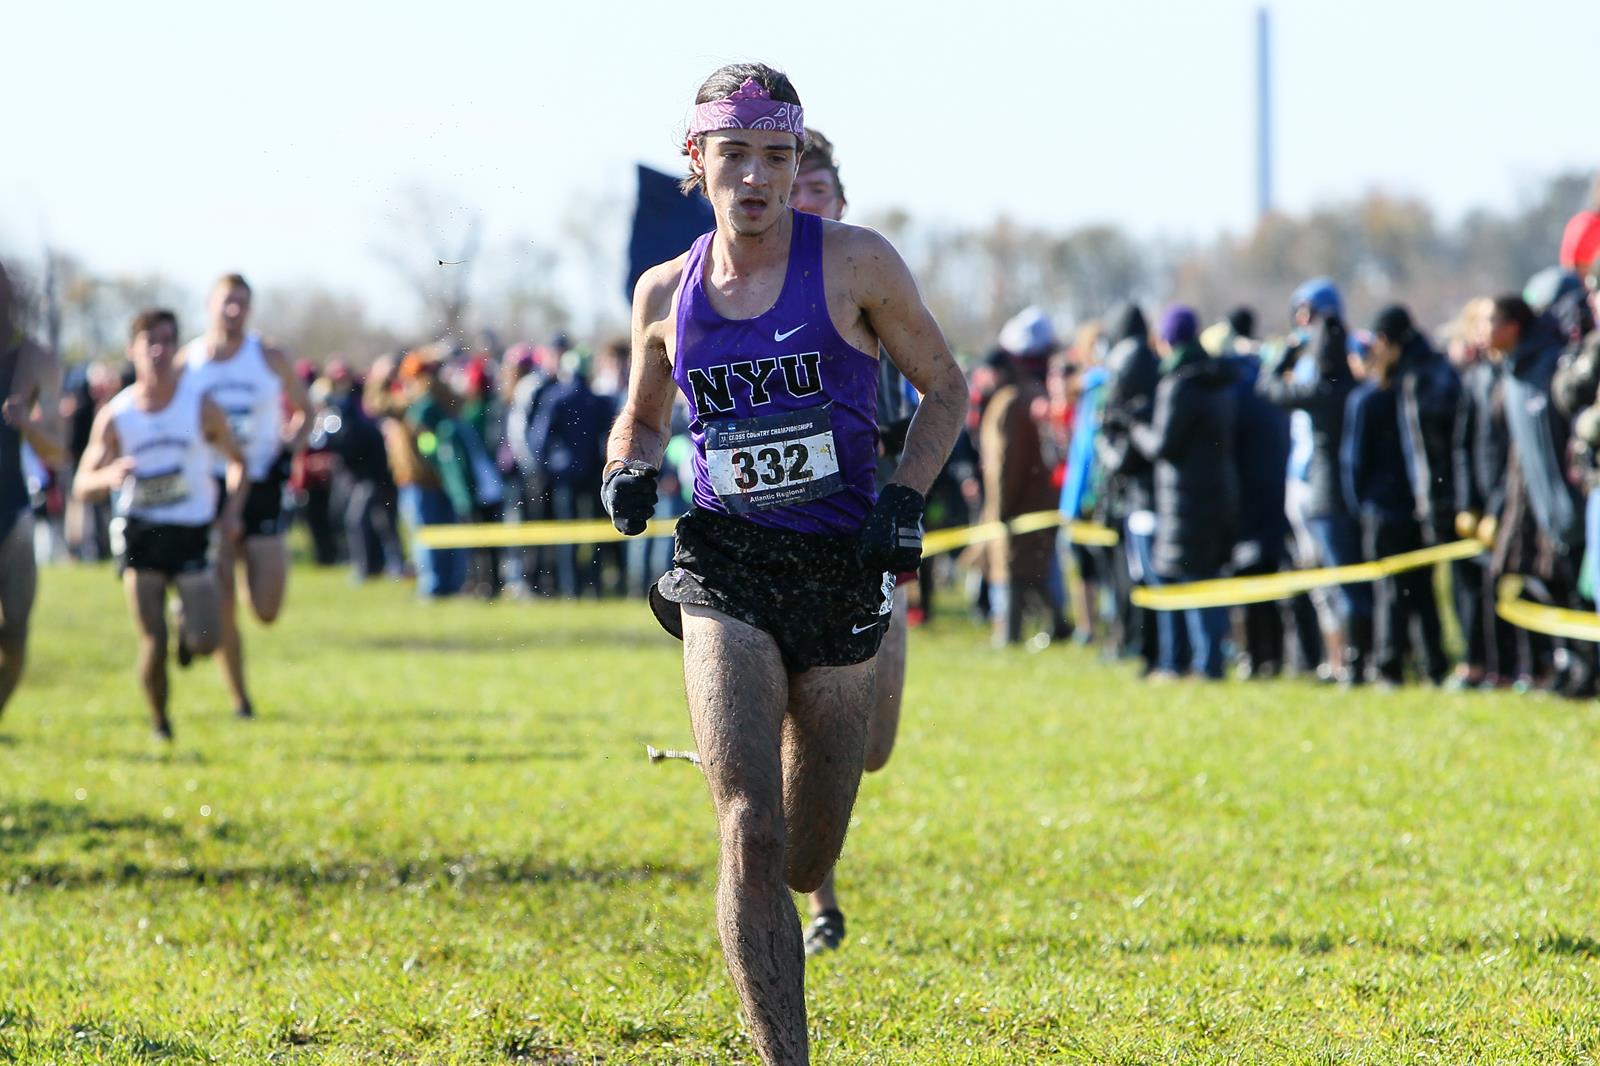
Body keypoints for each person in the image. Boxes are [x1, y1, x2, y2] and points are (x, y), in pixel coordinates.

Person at [602, 63, 966, 1066]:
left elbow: (945, 386)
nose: (757, 178)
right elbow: (642, 413)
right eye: (735, 156)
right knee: (749, 830)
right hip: (726, 567)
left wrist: (904, 498)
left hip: (840, 569)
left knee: (806, 855)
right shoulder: (663, 292)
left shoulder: (857, 263)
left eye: (776, 156)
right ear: (698, 160)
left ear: (798, 157)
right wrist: (627, 467)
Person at [786, 126, 919, 956]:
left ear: (840, 201)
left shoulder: (874, 282)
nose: (804, 204)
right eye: (793, 190)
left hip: (866, 547)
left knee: (868, 749)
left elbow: (934, 393)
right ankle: (818, 905)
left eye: (818, 191)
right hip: (771, 549)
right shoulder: (744, 296)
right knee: (792, 732)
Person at [73, 310, 247, 739]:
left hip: (191, 529)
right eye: (151, 341)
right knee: (152, 639)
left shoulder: (200, 405)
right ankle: (160, 722)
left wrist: (231, 511)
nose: (160, 350)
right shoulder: (117, 414)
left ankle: (187, 630)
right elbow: (81, 484)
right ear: (132, 350)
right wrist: (108, 476)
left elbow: (238, 462)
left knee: (207, 639)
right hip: (141, 530)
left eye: (168, 341)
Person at [181, 274, 311, 719]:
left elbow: (307, 411)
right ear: (209, 304)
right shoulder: (189, 362)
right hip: (210, 484)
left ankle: (211, 594)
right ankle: (240, 700)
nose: (234, 310)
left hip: (261, 482)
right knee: (222, 606)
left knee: (266, 609)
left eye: (242, 302)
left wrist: (289, 450)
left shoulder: (269, 356)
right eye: (227, 302)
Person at [1342, 306, 1449, 686]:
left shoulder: (1370, 399)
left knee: (1393, 591)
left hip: (1387, 508)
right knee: (1420, 590)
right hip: (1413, 505)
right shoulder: (1418, 384)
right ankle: (1432, 663)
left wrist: (1361, 505)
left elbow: (1354, 463)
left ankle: (1390, 666)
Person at [1131, 306, 1238, 680]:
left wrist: (1135, 427)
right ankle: (1207, 660)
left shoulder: (1177, 384)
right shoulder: (1217, 379)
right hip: (1218, 493)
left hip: (1184, 500)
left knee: (1189, 582)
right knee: (1206, 580)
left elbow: (1163, 446)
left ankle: (1202, 665)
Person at [0, 263, 65, 720]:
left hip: (12, 511)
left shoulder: (32, 360)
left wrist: (29, 425)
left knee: (15, 630)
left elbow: (59, 451)